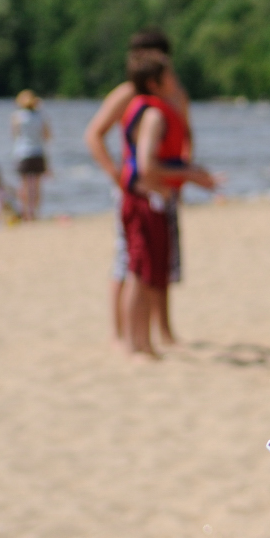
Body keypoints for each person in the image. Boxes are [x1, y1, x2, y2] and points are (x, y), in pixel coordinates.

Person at [86, 30, 192, 347]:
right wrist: (114, 173)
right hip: (136, 186)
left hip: (164, 186)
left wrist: (183, 176)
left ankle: (163, 329)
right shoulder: (127, 94)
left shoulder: (173, 93)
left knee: (162, 258)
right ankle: (120, 331)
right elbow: (94, 135)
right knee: (128, 260)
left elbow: (185, 134)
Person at [119, 50, 216, 359]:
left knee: (142, 269)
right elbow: (147, 166)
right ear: (154, 83)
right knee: (142, 270)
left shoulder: (154, 111)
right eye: (169, 76)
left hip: (147, 199)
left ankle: (138, 341)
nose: (176, 81)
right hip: (147, 200)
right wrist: (192, 175)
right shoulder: (155, 115)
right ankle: (139, 343)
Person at [12, 90, 51, 220]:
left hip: (22, 152)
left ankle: (26, 213)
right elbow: (47, 136)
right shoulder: (40, 116)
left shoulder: (17, 116)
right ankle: (36, 212)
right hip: (38, 152)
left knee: (24, 186)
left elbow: (14, 135)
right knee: (37, 187)